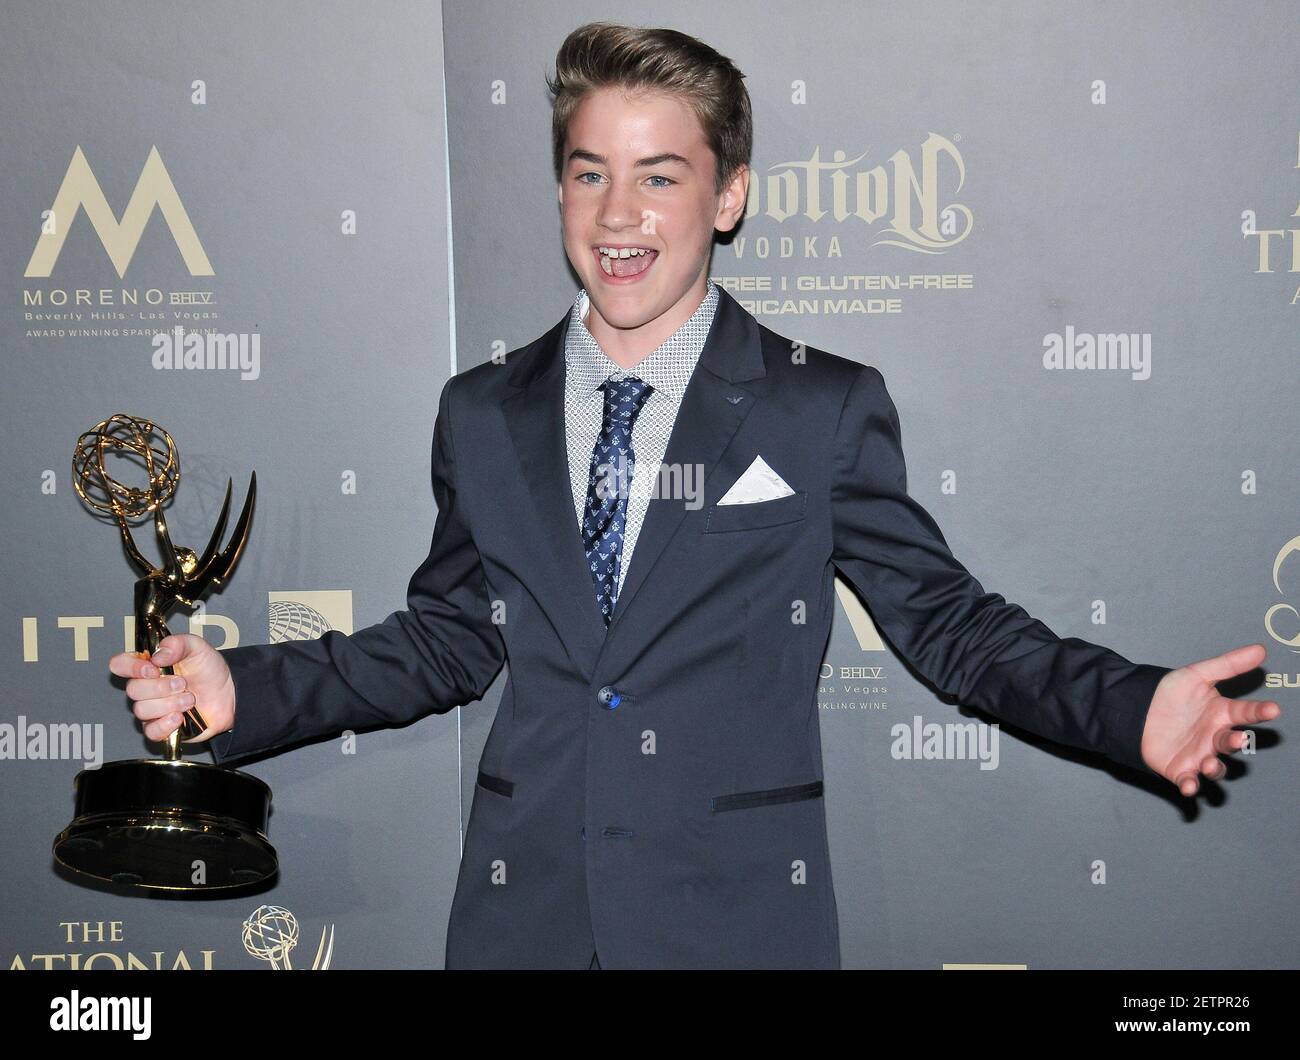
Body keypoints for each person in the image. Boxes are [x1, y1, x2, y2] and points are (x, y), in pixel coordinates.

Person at [109, 22, 1280, 970]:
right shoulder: (482, 409)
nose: (620, 216)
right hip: (524, 924)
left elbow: (949, 625)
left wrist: (1127, 709)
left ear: (727, 197)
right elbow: (451, 639)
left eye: (659, 176)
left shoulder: (814, 407)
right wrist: (239, 691)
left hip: (733, 923)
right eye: (590, 174)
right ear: (561, 193)